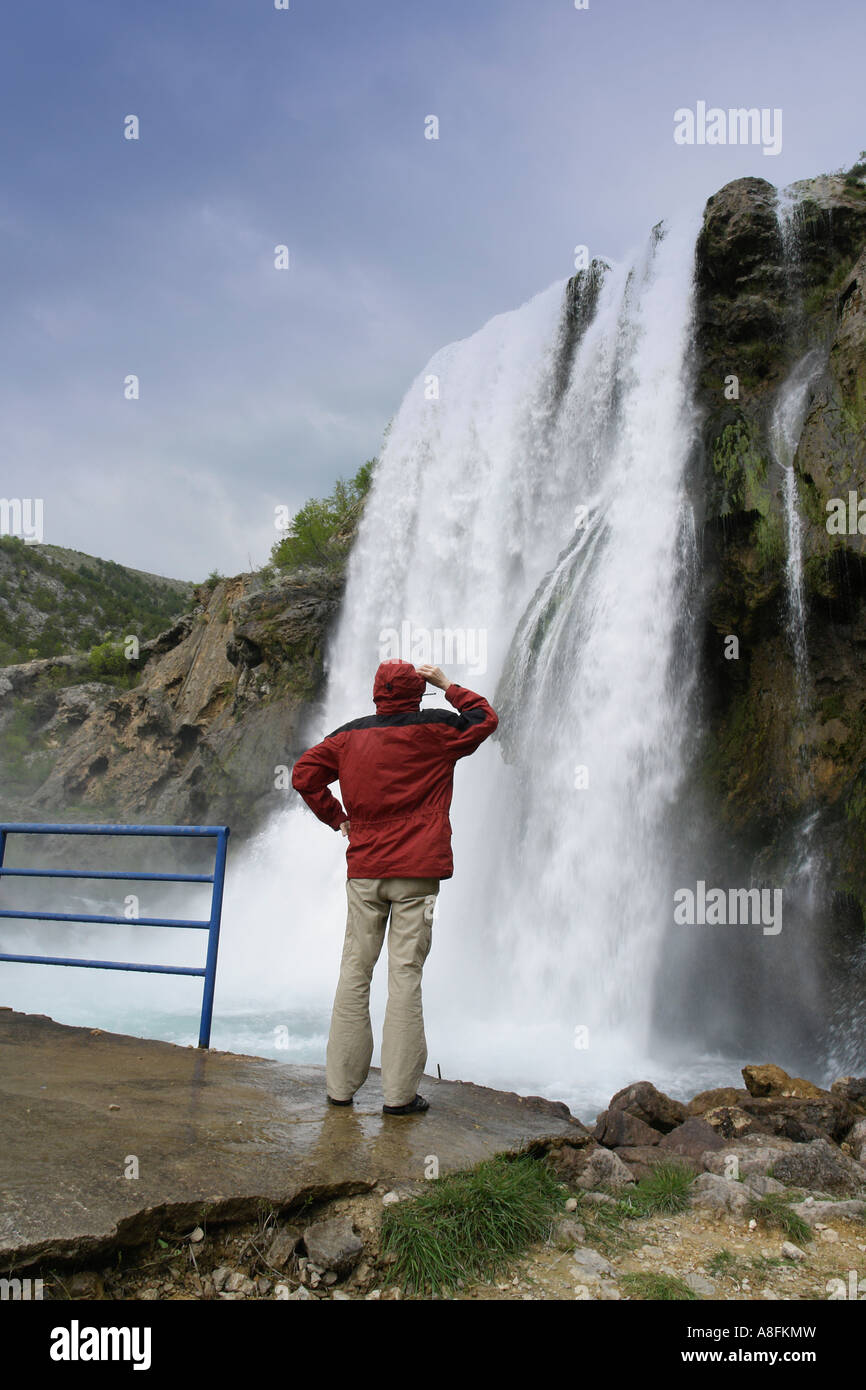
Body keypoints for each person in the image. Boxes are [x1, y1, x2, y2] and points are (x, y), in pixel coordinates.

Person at [291, 659, 498, 1115]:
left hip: (365, 872)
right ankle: (399, 1098)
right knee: (405, 974)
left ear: (375, 695)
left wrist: (337, 818)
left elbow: (303, 775)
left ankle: (340, 1089)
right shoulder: (439, 729)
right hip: (417, 875)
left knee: (354, 971)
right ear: (416, 694)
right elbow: (485, 719)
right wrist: (447, 685)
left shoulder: (346, 737)